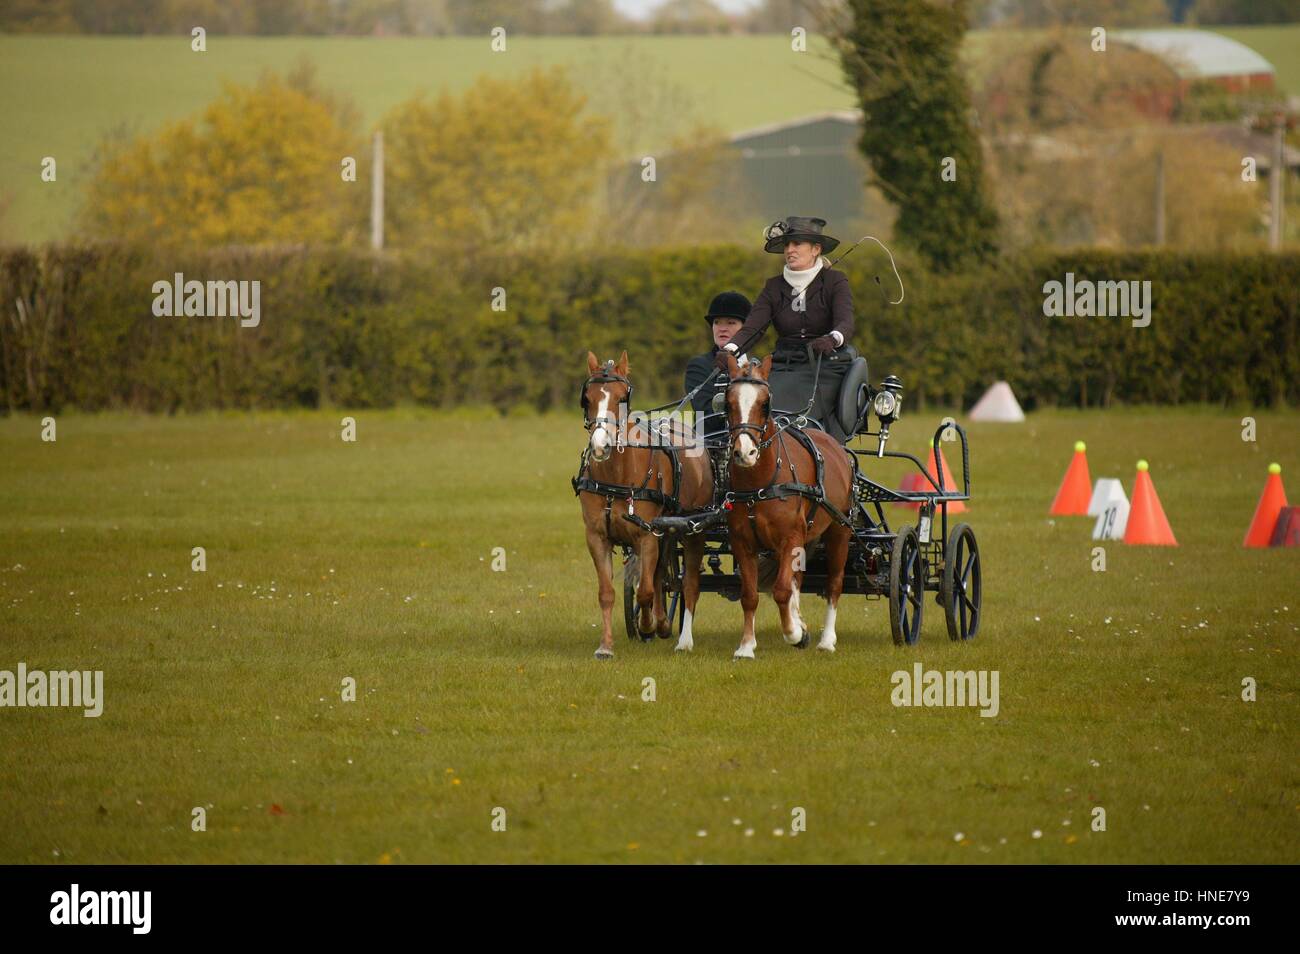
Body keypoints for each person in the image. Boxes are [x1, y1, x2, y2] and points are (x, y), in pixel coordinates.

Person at [714, 216, 859, 442]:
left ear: (816, 249)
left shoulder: (835, 281)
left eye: (797, 244)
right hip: (784, 366)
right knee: (762, 405)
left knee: (810, 418)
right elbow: (753, 326)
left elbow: (846, 321)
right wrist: (729, 349)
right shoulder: (773, 287)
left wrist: (832, 338)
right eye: (787, 245)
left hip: (826, 366)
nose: (790, 250)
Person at [684, 290, 751, 438]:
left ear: (746, 328)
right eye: (717, 322)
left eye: (731, 322)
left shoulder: (757, 367)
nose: (722, 328)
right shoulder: (699, 366)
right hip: (712, 451)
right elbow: (708, 414)